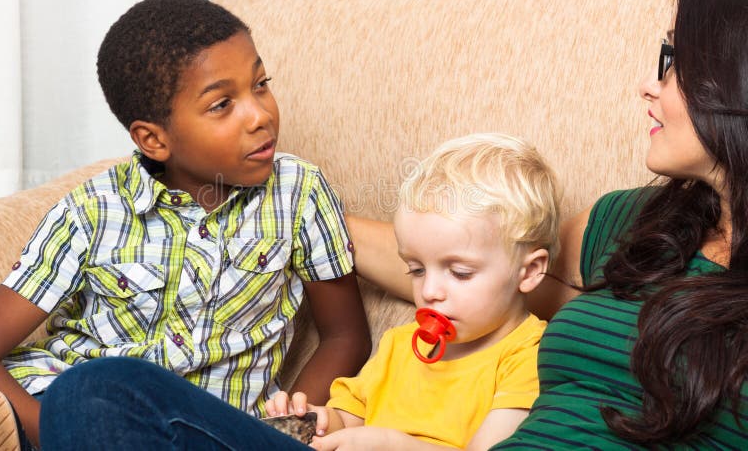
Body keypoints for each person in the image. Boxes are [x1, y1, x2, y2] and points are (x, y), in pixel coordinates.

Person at [350, 0, 748, 448]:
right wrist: (311, 214)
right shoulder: (640, 218)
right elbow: (483, 261)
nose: (647, 86)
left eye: (674, 62)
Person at [0, 0, 371, 450]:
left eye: (261, 84)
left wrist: (288, 423)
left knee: (100, 387)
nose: (260, 114)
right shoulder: (93, 211)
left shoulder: (298, 192)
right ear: (153, 139)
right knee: (79, 392)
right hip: (68, 406)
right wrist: (58, 430)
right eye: (222, 104)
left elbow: (345, 335)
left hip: (198, 427)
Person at [37, 132, 562, 450]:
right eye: (417, 270)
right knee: (88, 391)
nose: (431, 293)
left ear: (531, 271)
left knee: (101, 390)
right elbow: (350, 416)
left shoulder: (530, 356)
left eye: (460, 273)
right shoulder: (403, 345)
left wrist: (392, 444)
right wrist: (315, 419)